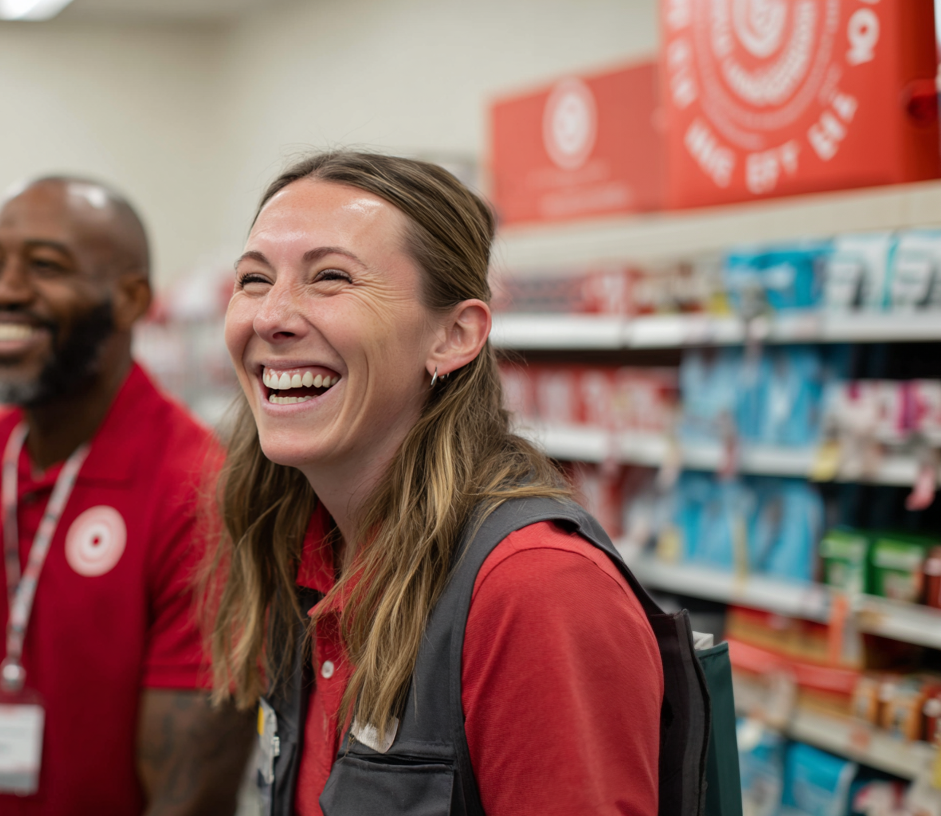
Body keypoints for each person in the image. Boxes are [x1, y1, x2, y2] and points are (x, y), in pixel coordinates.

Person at [205, 152, 665, 815]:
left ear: (453, 335)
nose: (270, 316)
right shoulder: (294, 546)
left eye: (331, 277)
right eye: (253, 279)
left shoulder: (535, 588)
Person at [0, 177, 251, 816]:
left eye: (45, 267)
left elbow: (190, 795)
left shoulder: (197, 491)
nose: (4, 292)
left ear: (130, 299)